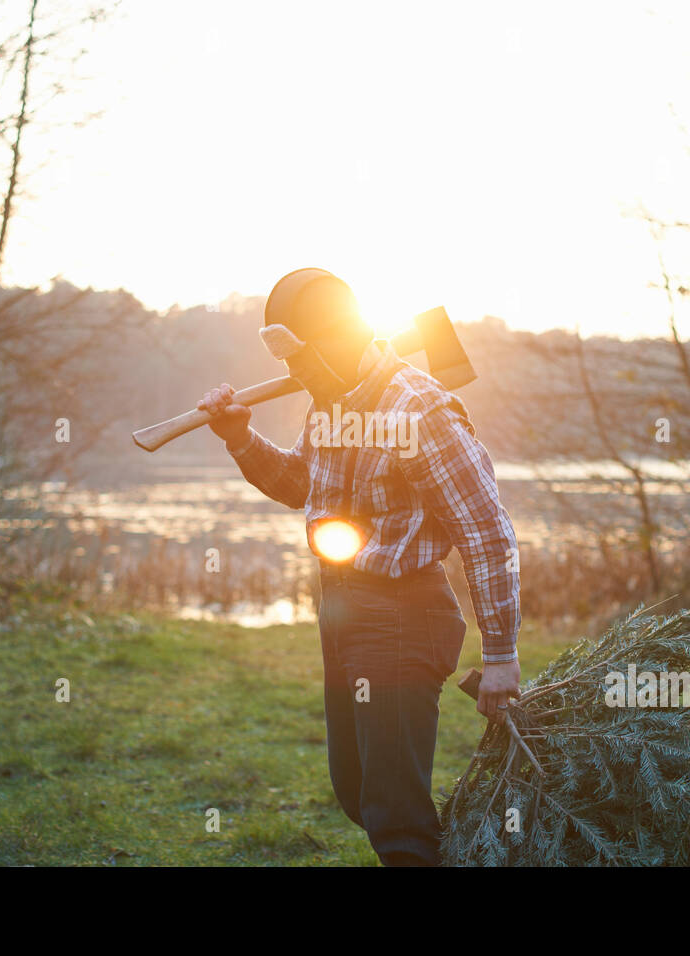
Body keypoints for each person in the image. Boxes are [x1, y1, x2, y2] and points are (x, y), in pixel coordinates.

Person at [197, 267, 521, 866]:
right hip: (341, 607)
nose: (293, 373)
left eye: (300, 357)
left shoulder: (420, 408)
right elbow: (302, 485)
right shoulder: (329, 403)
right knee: (357, 793)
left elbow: (486, 532)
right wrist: (239, 437)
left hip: (401, 616)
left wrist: (500, 656)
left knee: (395, 819)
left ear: (333, 341)